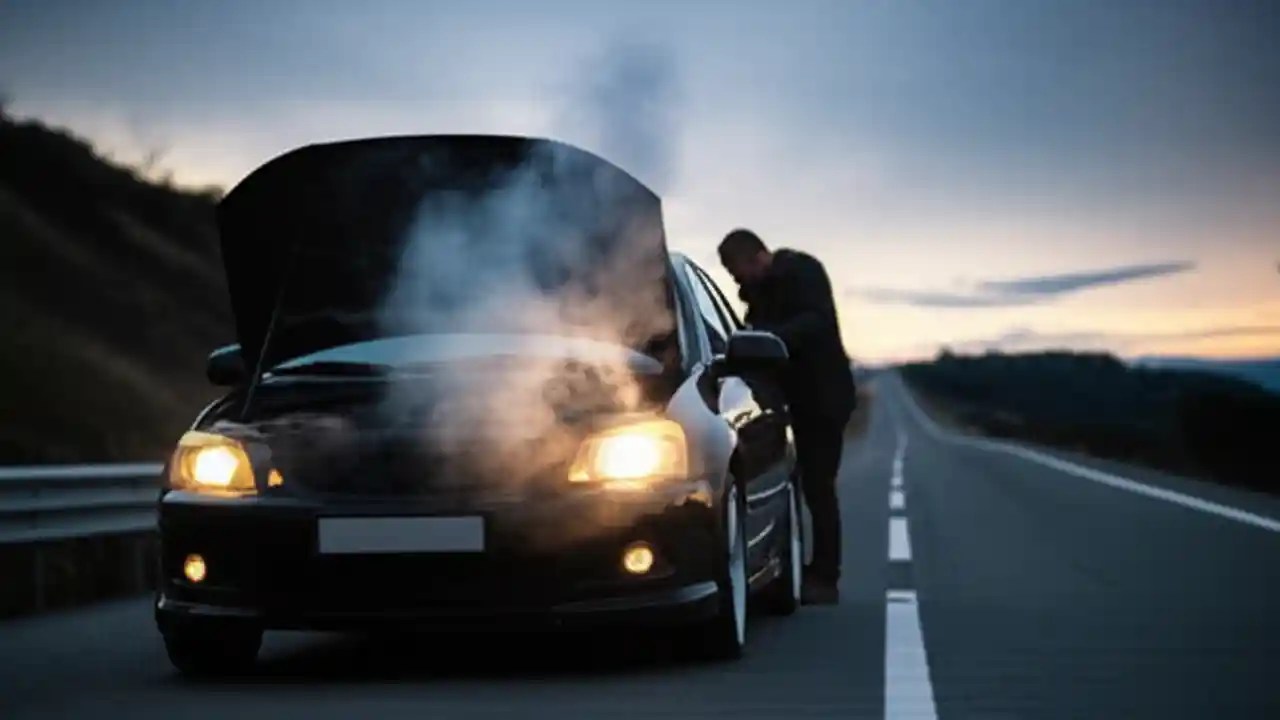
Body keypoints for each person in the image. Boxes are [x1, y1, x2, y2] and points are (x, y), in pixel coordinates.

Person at [718, 228, 856, 605]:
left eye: (737, 272)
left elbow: (814, 322)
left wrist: (771, 336)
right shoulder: (762, 295)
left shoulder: (802, 271)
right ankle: (797, 566)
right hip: (790, 402)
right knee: (794, 484)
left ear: (756, 257)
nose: (738, 281)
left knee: (818, 485)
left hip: (823, 399)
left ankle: (826, 578)